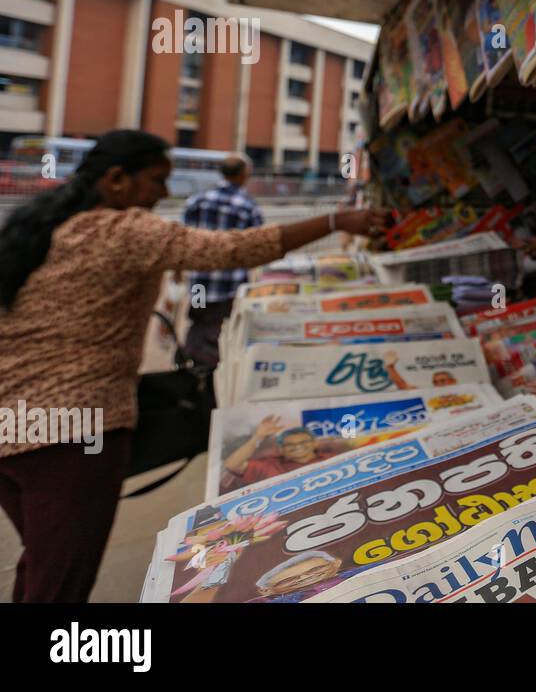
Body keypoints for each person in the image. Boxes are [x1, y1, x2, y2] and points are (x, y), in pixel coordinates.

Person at [0, 130, 386, 602]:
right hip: (71, 433)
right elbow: (233, 251)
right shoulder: (123, 229)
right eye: (157, 180)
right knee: (61, 580)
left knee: (43, 561)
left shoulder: (42, 229)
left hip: (11, 427)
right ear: (117, 179)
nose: (165, 192)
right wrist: (335, 219)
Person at [182, 153, 264, 367]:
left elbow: (183, 237)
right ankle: (213, 373)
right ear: (243, 174)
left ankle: (191, 364)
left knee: (198, 319)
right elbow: (257, 244)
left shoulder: (197, 199)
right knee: (222, 327)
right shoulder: (247, 205)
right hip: (230, 285)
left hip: (199, 283)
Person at [219, 416, 346, 494]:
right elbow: (232, 464)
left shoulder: (332, 458)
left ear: (314, 443)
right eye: (290, 445)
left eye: (303, 442)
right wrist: (258, 437)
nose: (297, 447)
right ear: (281, 449)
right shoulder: (269, 465)